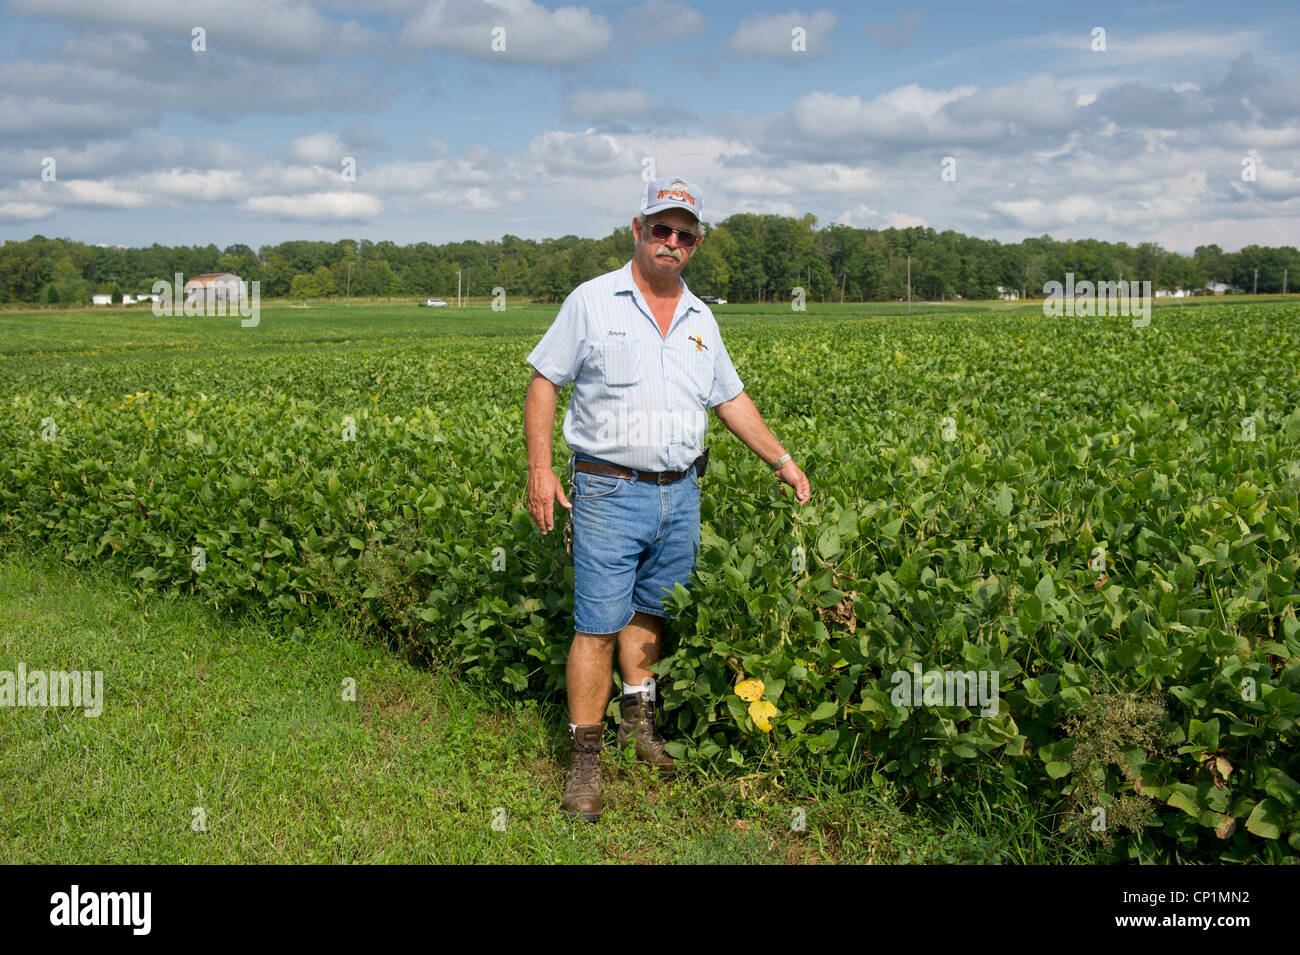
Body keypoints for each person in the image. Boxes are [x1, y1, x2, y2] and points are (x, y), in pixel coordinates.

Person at [524, 176, 811, 822]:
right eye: (661, 228)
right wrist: (541, 470)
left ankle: (640, 726)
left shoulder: (701, 319)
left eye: (684, 233)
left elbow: (730, 398)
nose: (672, 241)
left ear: (696, 243)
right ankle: (585, 761)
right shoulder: (593, 302)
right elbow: (544, 381)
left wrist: (783, 459)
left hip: (680, 492)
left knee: (651, 612)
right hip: (607, 489)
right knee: (596, 625)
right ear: (638, 228)